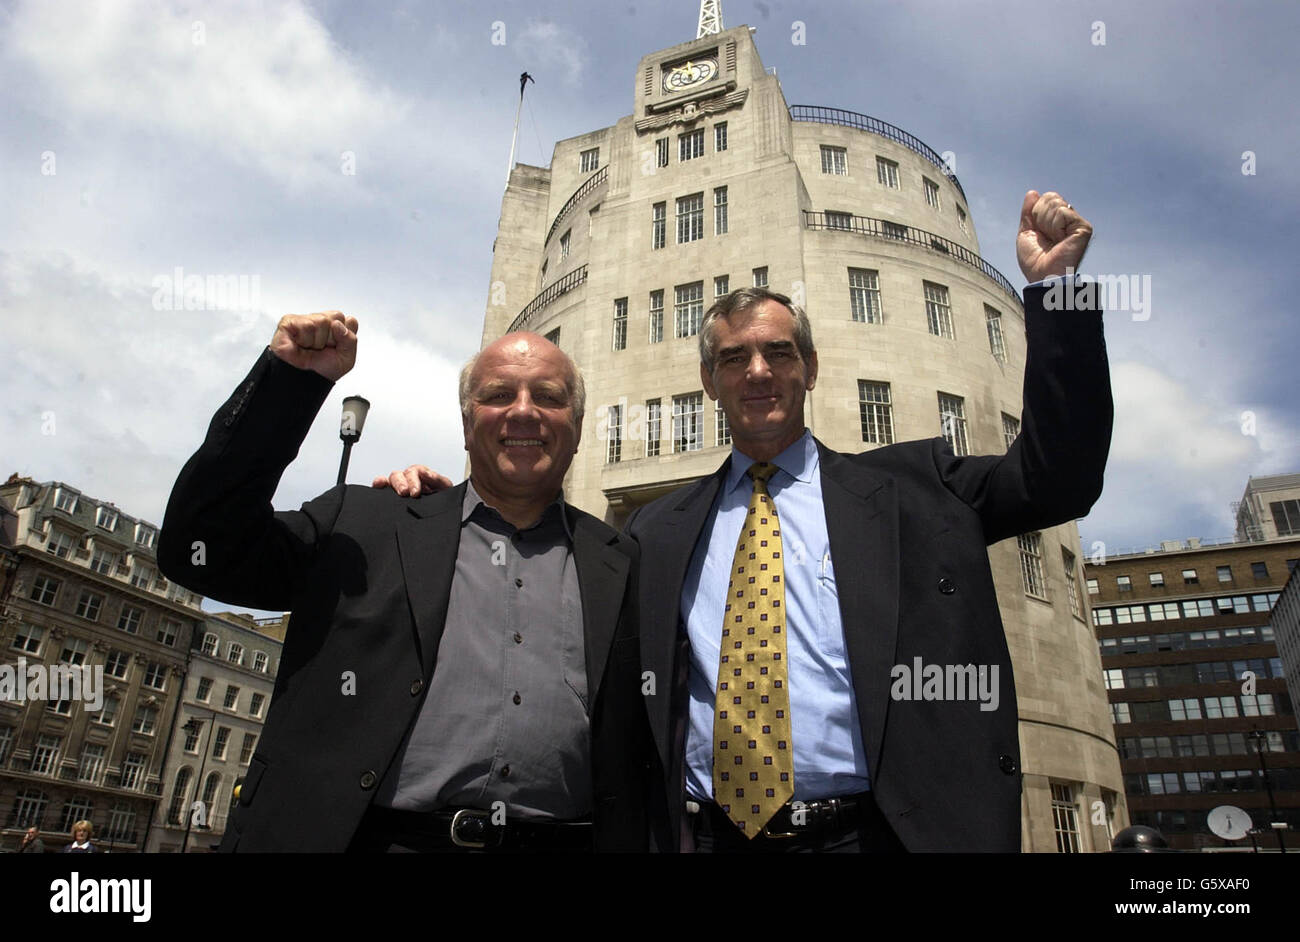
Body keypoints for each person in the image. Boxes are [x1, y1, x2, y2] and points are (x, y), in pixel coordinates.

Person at [378, 190, 1112, 853]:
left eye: (777, 352)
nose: (757, 372)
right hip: (708, 836)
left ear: (810, 369)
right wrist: (446, 511)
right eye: (734, 359)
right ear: (710, 381)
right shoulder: (656, 532)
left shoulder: (915, 490)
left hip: (872, 834)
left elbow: (1059, 477)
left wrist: (1058, 294)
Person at [158, 316, 653, 852]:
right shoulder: (366, 524)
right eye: (499, 394)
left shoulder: (622, 563)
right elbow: (200, 551)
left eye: (550, 397)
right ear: (467, 425)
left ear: (577, 428)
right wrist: (289, 384)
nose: (524, 410)